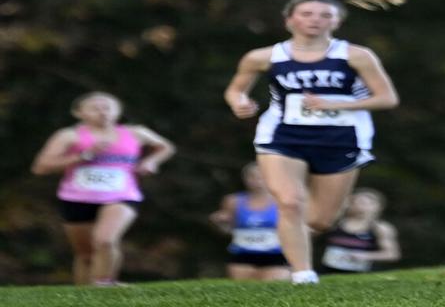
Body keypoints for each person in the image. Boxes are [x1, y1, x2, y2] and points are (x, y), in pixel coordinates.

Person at [221, 0, 403, 285]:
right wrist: (239, 102)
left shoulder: (357, 56)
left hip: (341, 138)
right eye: (307, 14)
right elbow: (235, 90)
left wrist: (333, 103)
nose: (315, 20)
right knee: (290, 202)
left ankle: (293, 244)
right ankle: (303, 274)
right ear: (290, 20)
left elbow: (387, 98)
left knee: (320, 219)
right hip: (282, 137)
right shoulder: (263, 57)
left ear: (337, 22)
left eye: (324, 15)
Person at [29, 92, 176, 286]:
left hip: (122, 195)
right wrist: (84, 156)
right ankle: (82, 298)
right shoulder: (69, 136)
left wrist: (151, 162)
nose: (103, 112)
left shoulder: (136, 133)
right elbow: (40, 167)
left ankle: (104, 284)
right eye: (95, 108)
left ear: (118, 110)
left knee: (105, 240)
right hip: (77, 198)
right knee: (85, 254)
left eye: (108, 107)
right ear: (79, 113)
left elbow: (165, 146)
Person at [209, 162, 291, 281]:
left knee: (273, 288)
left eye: (262, 176)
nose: (257, 181)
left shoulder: (283, 201)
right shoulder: (233, 201)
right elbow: (227, 232)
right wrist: (217, 223)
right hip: (243, 256)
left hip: (275, 255)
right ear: (245, 179)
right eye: (252, 177)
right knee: (242, 291)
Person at [320, 188, 401, 274]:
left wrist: (364, 256)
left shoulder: (380, 228)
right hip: (327, 271)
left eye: (368, 203)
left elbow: (392, 254)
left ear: (378, 207)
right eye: (358, 202)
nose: (362, 206)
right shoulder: (335, 223)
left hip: (360, 273)